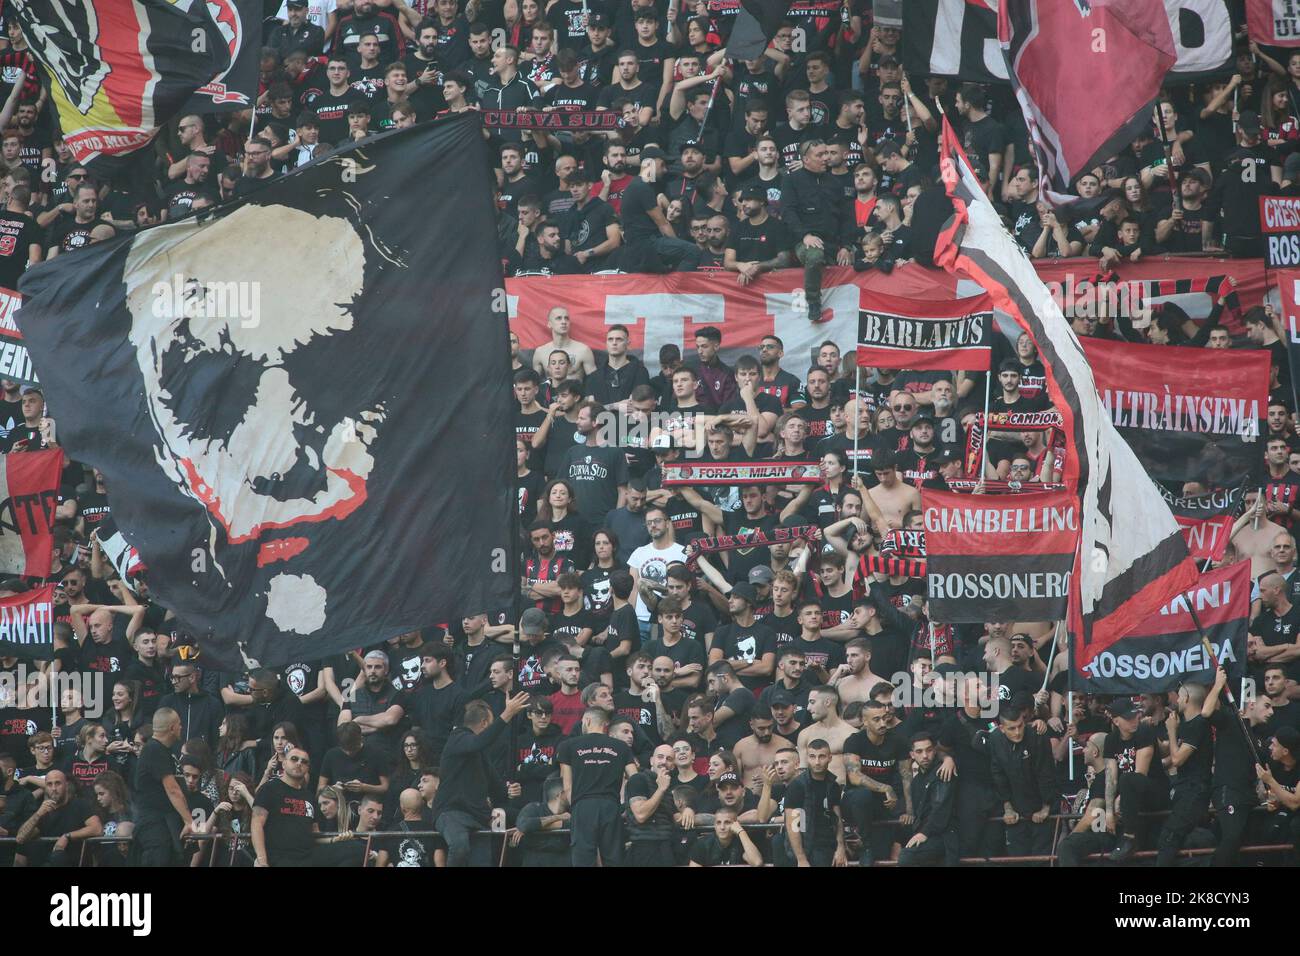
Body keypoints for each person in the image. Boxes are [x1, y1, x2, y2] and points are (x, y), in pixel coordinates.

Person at [433, 693, 530, 866]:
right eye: (491, 725)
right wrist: (506, 714)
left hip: (478, 817)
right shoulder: (458, 737)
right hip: (452, 812)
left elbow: (497, 790)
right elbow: (477, 743)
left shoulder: (481, 754)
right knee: (459, 846)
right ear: (485, 723)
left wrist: (510, 792)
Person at [557, 706, 638, 866]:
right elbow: (635, 778)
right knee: (613, 858)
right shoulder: (621, 747)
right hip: (611, 806)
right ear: (605, 725)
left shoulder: (568, 745)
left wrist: (577, 809)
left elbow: (567, 786)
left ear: (586, 721)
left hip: (582, 805)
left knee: (583, 859)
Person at [132, 708, 194, 867]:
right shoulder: (154, 749)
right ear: (172, 728)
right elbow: (173, 790)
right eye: (179, 724)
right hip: (154, 825)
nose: (182, 727)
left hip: (163, 823)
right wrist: (189, 821)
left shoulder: (162, 751)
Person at [778, 738, 847, 867]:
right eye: (812, 756)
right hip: (806, 843)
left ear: (830, 758)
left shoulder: (833, 785)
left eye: (821, 757)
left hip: (827, 843)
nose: (817, 762)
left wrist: (841, 847)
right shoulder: (798, 786)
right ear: (807, 758)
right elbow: (793, 825)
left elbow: (837, 818)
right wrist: (801, 859)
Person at [896, 731, 957, 866]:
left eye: (929, 750)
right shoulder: (917, 781)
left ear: (934, 751)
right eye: (919, 751)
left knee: (906, 857)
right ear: (912, 755)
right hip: (927, 834)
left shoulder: (943, 771)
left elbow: (941, 810)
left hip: (945, 837)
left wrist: (923, 833)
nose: (925, 756)